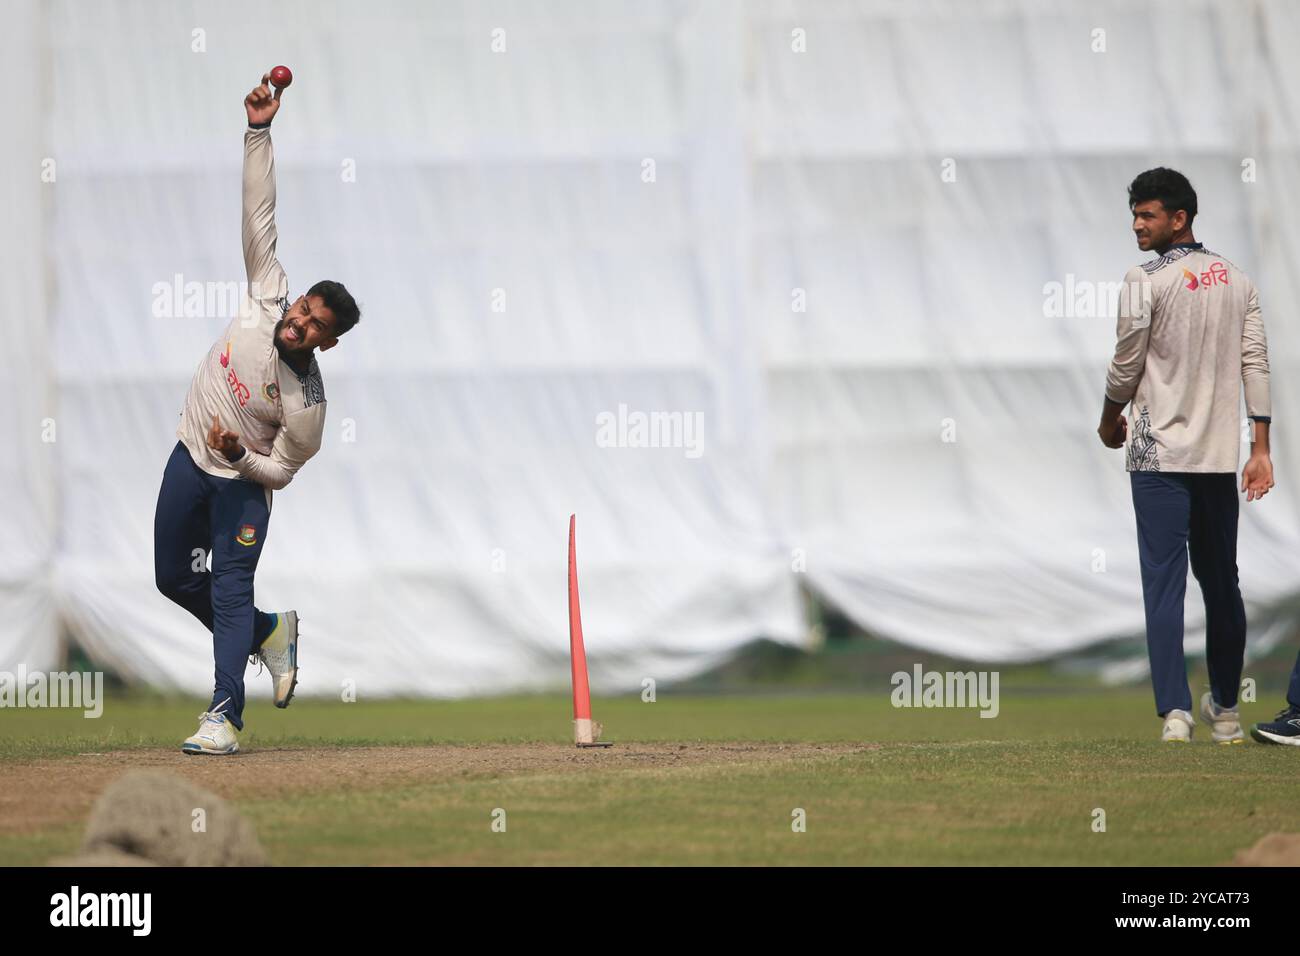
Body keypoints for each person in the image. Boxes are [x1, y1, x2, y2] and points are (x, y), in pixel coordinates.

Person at [153, 72, 361, 754]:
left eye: (313, 325)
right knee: (174, 578)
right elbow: (258, 210)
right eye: (303, 308)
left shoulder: (308, 408)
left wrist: (244, 457)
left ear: (327, 342)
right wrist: (259, 129)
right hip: (191, 454)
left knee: (229, 589)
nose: (297, 322)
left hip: (242, 488)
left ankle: (223, 718)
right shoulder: (267, 290)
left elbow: (282, 474)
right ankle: (271, 632)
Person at [1098, 167, 1273, 744]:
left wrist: (1107, 418)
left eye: (1147, 215)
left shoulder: (1144, 279)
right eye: (1135, 215)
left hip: (1156, 456)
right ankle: (1224, 711)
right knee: (1221, 582)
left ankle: (1176, 712)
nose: (1136, 225)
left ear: (1180, 219)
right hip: (1219, 455)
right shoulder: (1238, 281)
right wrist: (1262, 447)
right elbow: (1255, 365)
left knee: (1165, 583)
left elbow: (1127, 361)